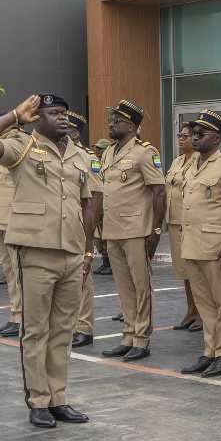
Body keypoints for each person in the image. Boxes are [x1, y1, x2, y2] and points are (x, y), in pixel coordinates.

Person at [0, 94, 97, 428]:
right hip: (37, 252)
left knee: (63, 330)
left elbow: (87, 205)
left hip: (71, 251)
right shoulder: (22, 147)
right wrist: (14, 115)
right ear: (37, 118)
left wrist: (87, 250)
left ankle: (59, 398)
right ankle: (38, 400)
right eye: (54, 113)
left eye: (65, 114)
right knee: (37, 329)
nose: (63, 119)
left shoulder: (80, 156)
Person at [176, 111, 221, 378]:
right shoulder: (191, 164)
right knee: (204, 305)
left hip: (216, 245)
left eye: (201, 133)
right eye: (193, 132)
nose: (195, 137)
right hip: (192, 244)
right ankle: (209, 352)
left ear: (216, 137)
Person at [97, 100, 164, 361]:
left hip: (137, 229)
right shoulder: (108, 153)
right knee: (124, 287)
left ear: (132, 126)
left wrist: (156, 229)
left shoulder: (145, 153)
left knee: (141, 287)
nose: (111, 124)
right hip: (113, 229)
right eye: (111, 120)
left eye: (117, 121)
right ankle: (128, 334)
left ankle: (142, 339)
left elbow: (158, 191)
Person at [0, 119, 27, 336]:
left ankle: (23, 316)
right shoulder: (0, 144)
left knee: (19, 272)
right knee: (10, 271)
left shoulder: (19, 144)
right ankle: (16, 314)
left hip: (11, 217)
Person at [64, 112, 103, 348]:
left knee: (82, 278)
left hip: (79, 224)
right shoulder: (54, 153)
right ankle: (68, 325)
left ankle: (84, 327)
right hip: (60, 224)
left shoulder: (87, 157)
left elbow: (96, 196)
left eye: (66, 128)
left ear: (76, 133)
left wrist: (90, 234)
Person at [165, 122, 201, 332]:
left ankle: (201, 313)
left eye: (185, 136)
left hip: (191, 222)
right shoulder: (178, 161)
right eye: (179, 135)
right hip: (175, 221)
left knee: (195, 271)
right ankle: (190, 310)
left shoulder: (199, 160)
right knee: (184, 272)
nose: (181, 138)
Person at [92, 138, 113, 276]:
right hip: (98, 205)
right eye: (97, 148)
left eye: (100, 149)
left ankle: (110, 264)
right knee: (98, 237)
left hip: (107, 205)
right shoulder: (95, 162)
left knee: (107, 236)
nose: (97, 151)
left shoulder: (109, 163)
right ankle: (105, 262)